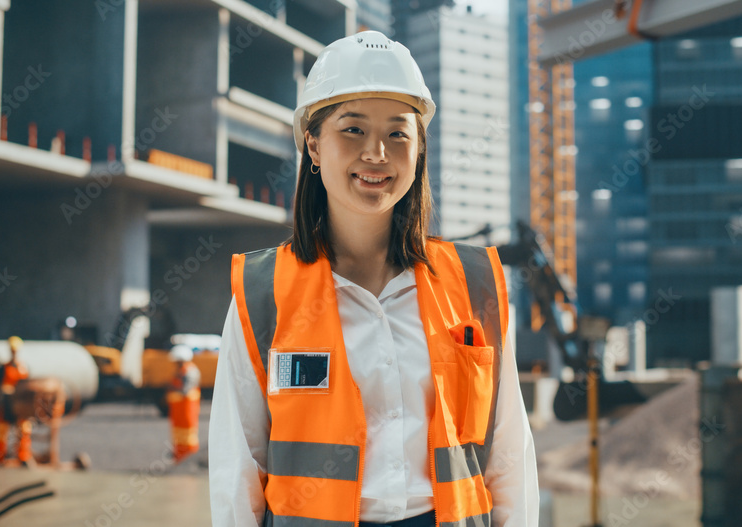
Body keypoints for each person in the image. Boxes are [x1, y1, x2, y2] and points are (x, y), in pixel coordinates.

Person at [209, 30, 538, 527]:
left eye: (398, 133)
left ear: (419, 149)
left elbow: (508, 461)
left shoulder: (475, 285)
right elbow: (238, 470)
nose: (377, 153)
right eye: (353, 129)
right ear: (313, 145)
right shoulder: (263, 294)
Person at [0, 336, 31, 465]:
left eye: (15, 351)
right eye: (12, 350)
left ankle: (23, 456)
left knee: (24, 429)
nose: (14, 353)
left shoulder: (24, 368)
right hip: (6, 404)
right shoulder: (3, 368)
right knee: (2, 430)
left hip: (20, 405)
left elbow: (28, 386)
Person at [168, 345, 201, 463]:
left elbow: (185, 390)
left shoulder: (190, 371)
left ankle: (189, 456)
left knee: (188, 432)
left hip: (187, 408)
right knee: (178, 432)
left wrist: (173, 390)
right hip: (179, 410)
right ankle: (179, 455)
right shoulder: (182, 370)